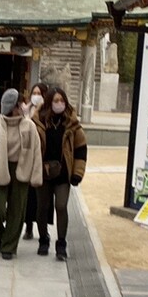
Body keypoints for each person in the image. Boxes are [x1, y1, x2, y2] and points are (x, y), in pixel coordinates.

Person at [0, 87, 43, 260]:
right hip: (0, 171)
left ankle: (9, 246)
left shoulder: (29, 127)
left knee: (17, 210)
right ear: (12, 106)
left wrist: (36, 176)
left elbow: (36, 152)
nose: (23, 106)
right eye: (19, 103)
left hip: (22, 171)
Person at [34, 86, 87, 261]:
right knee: (42, 207)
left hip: (63, 173)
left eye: (62, 100)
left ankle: (61, 243)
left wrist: (77, 172)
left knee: (61, 206)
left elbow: (81, 149)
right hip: (43, 172)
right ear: (49, 102)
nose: (59, 104)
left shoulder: (71, 123)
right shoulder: (38, 121)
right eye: (56, 100)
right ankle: (43, 239)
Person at [22, 82, 50, 241]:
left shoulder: (46, 113)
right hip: (27, 158)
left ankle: (42, 230)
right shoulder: (25, 110)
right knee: (28, 197)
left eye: (40, 93)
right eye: (35, 92)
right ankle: (28, 227)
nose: (36, 95)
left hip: (41, 159)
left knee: (40, 199)